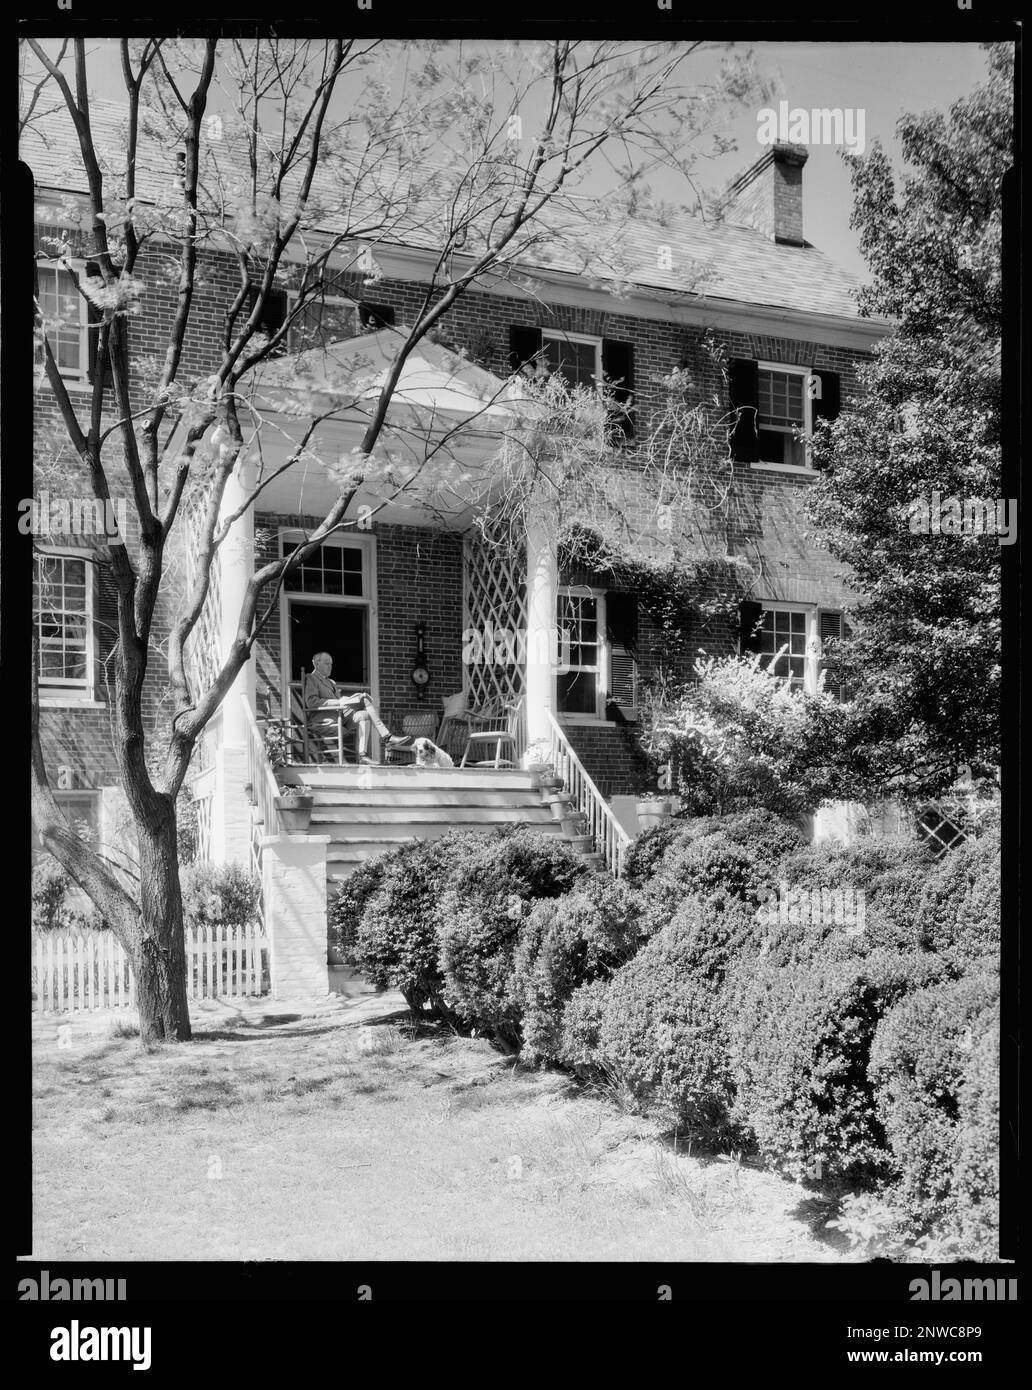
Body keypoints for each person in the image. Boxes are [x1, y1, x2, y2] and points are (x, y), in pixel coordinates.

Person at [303, 652, 412, 764]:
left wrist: (347, 700)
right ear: (316, 663)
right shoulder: (311, 678)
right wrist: (339, 701)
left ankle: (362, 756)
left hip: (340, 716)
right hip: (324, 720)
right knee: (363, 699)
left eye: (331, 664)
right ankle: (388, 738)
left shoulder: (331, 682)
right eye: (327, 663)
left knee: (364, 714)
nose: (330, 666)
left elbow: (340, 704)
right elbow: (311, 702)